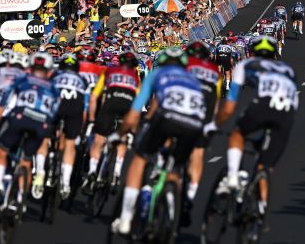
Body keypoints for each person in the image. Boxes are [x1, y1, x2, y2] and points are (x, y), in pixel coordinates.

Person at [110, 47, 206, 235]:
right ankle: (172, 214)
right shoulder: (194, 80)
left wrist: (119, 134)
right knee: (175, 168)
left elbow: (135, 114)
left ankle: (126, 218)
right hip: (194, 125)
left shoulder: (157, 74)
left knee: (139, 159)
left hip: (167, 119)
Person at [214, 36, 298, 216]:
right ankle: (260, 211)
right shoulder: (287, 69)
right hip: (287, 115)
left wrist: (213, 126)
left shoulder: (246, 65)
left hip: (263, 106)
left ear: (252, 53)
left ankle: (233, 178)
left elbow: (229, 108)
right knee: (264, 167)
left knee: (237, 133)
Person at [0, 52, 60, 213]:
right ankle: (20, 200)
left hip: (20, 118)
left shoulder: (21, 80)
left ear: (29, 68)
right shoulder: (54, 89)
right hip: (42, 124)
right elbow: (55, 116)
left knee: (1, 151)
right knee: (26, 162)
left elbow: (1, 108)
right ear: (49, 71)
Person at [84, 50, 140, 192]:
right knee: (122, 141)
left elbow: (94, 98)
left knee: (99, 140)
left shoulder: (109, 71)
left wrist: (91, 121)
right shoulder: (135, 77)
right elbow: (138, 104)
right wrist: (133, 130)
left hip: (110, 103)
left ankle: (91, 171)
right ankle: (116, 172)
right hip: (127, 105)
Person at [185, 41, 222, 210]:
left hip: (183, 109)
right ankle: (192, 193)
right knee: (198, 153)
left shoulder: (185, 65)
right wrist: (212, 121)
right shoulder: (215, 71)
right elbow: (216, 99)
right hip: (204, 115)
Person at [50, 52, 91, 200]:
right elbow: (85, 106)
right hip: (74, 109)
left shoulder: (54, 75)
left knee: (50, 136)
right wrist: (83, 124)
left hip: (57, 107)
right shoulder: (82, 79)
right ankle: (65, 182)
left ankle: (48, 161)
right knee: (70, 143)